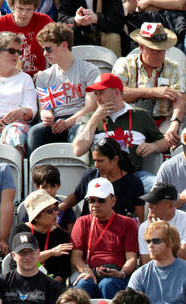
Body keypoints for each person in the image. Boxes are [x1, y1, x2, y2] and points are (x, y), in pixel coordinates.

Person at [71, 73, 169, 184]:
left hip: (133, 176)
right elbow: (78, 150)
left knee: (159, 186)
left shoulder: (140, 115)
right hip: (102, 178)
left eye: (101, 93)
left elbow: (165, 143)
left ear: (116, 92)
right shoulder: (90, 118)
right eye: (96, 94)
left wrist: (153, 146)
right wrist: (94, 119)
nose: (97, 99)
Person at [26, 22, 98, 151]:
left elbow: (91, 107)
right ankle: (37, 171)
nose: (44, 54)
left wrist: (68, 122)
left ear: (64, 45)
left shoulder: (89, 70)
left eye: (48, 49)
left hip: (79, 119)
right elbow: (45, 108)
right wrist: (46, 115)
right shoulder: (43, 76)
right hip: (56, 122)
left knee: (81, 130)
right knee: (35, 133)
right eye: (43, 49)